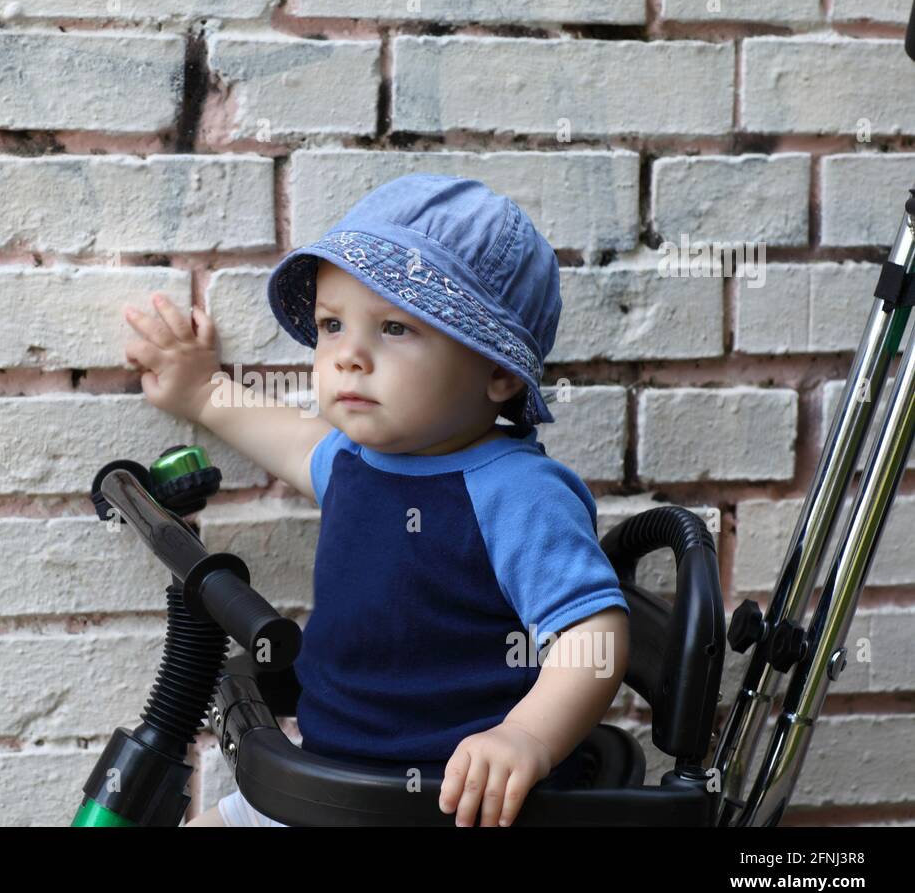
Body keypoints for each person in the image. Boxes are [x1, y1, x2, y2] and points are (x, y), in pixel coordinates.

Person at [124, 173, 631, 828]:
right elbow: (285, 439)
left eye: (394, 327)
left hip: (448, 805)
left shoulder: (517, 494)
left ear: (498, 371)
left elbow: (594, 634)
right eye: (332, 324)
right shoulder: (355, 462)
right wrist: (199, 390)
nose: (348, 358)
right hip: (323, 784)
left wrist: (526, 737)